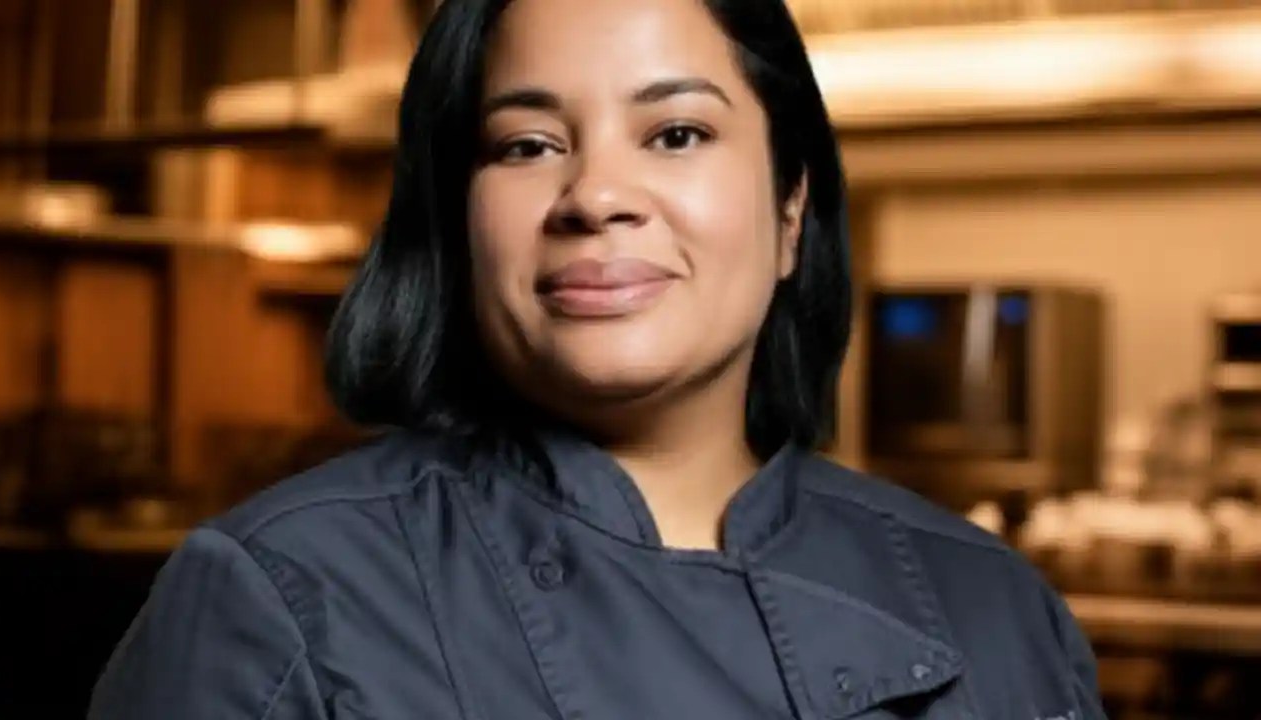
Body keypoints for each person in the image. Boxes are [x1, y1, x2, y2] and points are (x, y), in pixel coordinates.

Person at [89, 0, 1108, 718]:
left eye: (673, 132)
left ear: (789, 208)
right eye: (526, 146)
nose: (595, 195)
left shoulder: (993, 600)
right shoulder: (282, 600)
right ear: (457, 217)